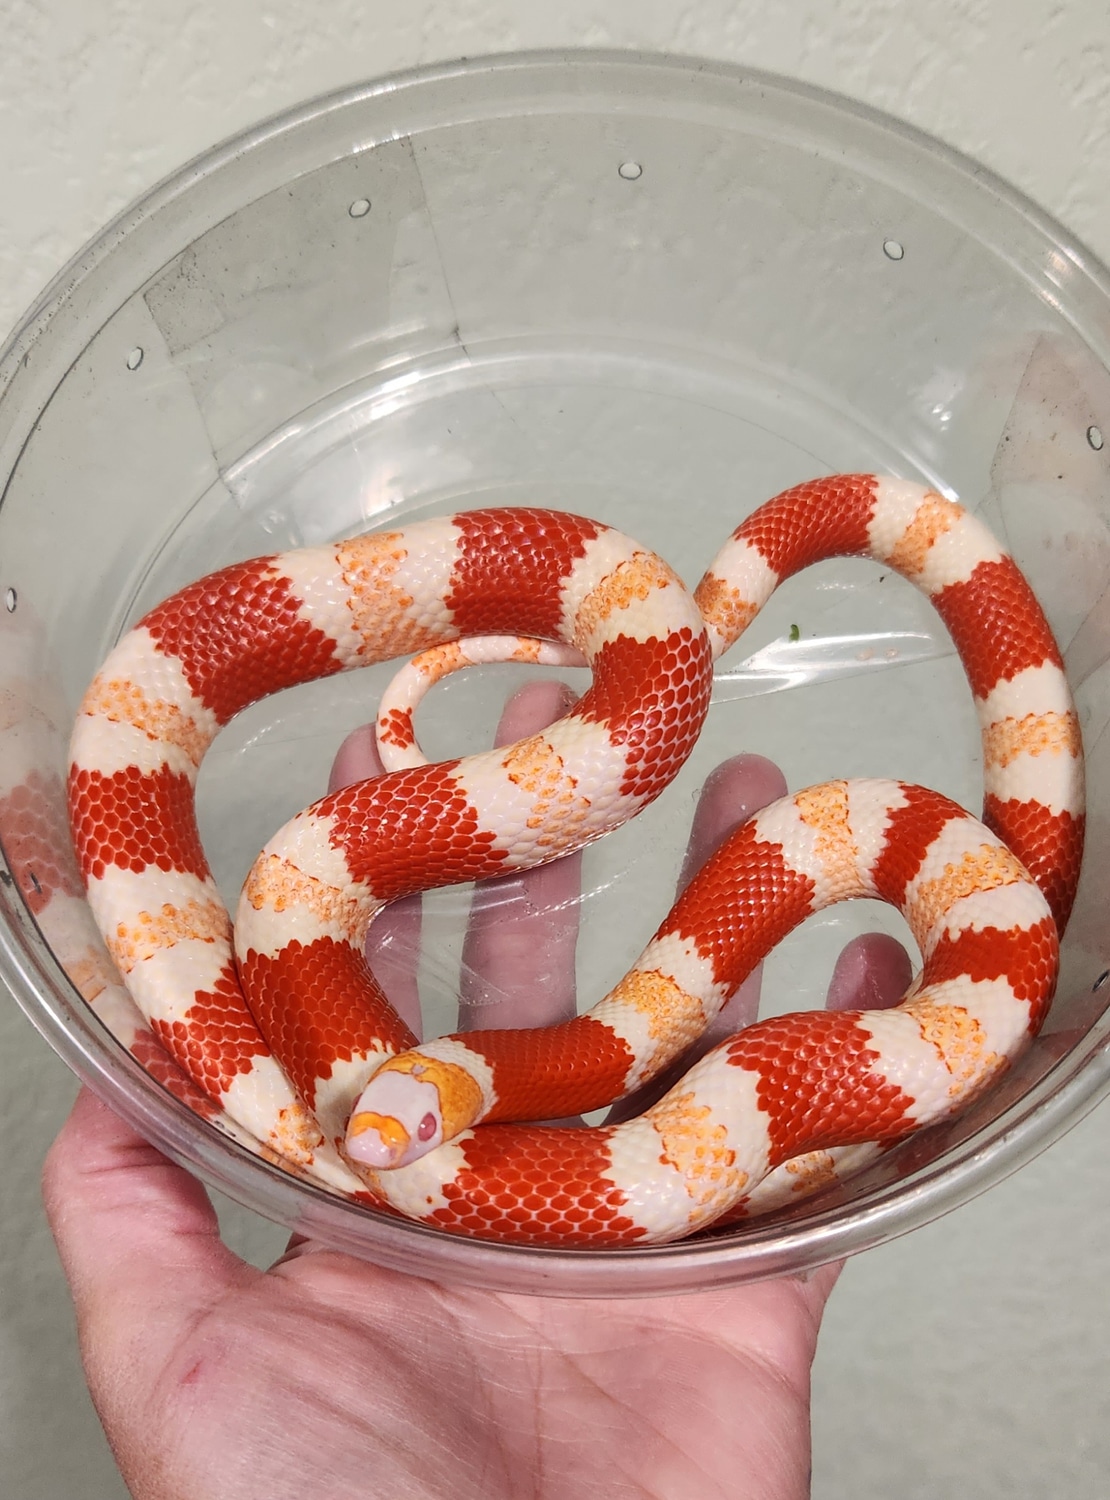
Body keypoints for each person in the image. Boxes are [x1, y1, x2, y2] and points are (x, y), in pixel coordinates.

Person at [44, 682, 909, 1500]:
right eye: (406, 1122)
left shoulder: (487, 1082)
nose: (372, 1144)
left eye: (411, 1125)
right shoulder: (444, 1091)